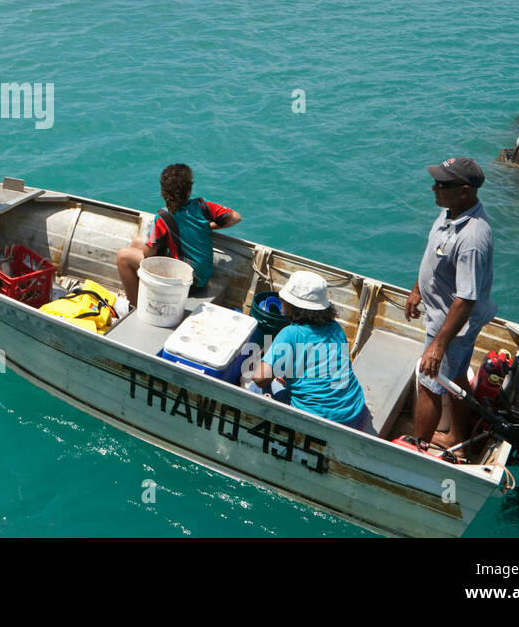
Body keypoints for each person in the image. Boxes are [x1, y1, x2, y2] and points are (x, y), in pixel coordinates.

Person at [404, 156, 495, 446]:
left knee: (429, 383)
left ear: (465, 190)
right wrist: (417, 289)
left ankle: (415, 448)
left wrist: (438, 345)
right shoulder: (450, 212)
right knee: (454, 380)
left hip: (451, 325)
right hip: (439, 314)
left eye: (442, 184)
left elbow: (466, 299)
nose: (434, 188)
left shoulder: (472, 239)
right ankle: (457, 435)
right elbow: (435, 255)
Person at [251, 271, 373, 432]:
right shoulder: (336, 328)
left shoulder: (289, 334)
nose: (281, 301)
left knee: (254, 387)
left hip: (318, 423)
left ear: (293, 306)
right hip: (355, 414)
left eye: (284, 300)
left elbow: (260, 379)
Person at [115, 163, 241, 305]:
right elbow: (235, 217)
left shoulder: (163, 217)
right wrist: (209, 226)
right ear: (188, 190)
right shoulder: (202, 206)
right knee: (137, 242)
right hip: (202, 276)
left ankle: (135, 306)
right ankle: (147, 293)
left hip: (187, 281)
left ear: (164, 192)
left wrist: (147, 246)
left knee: (123, 256)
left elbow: (148, 253)